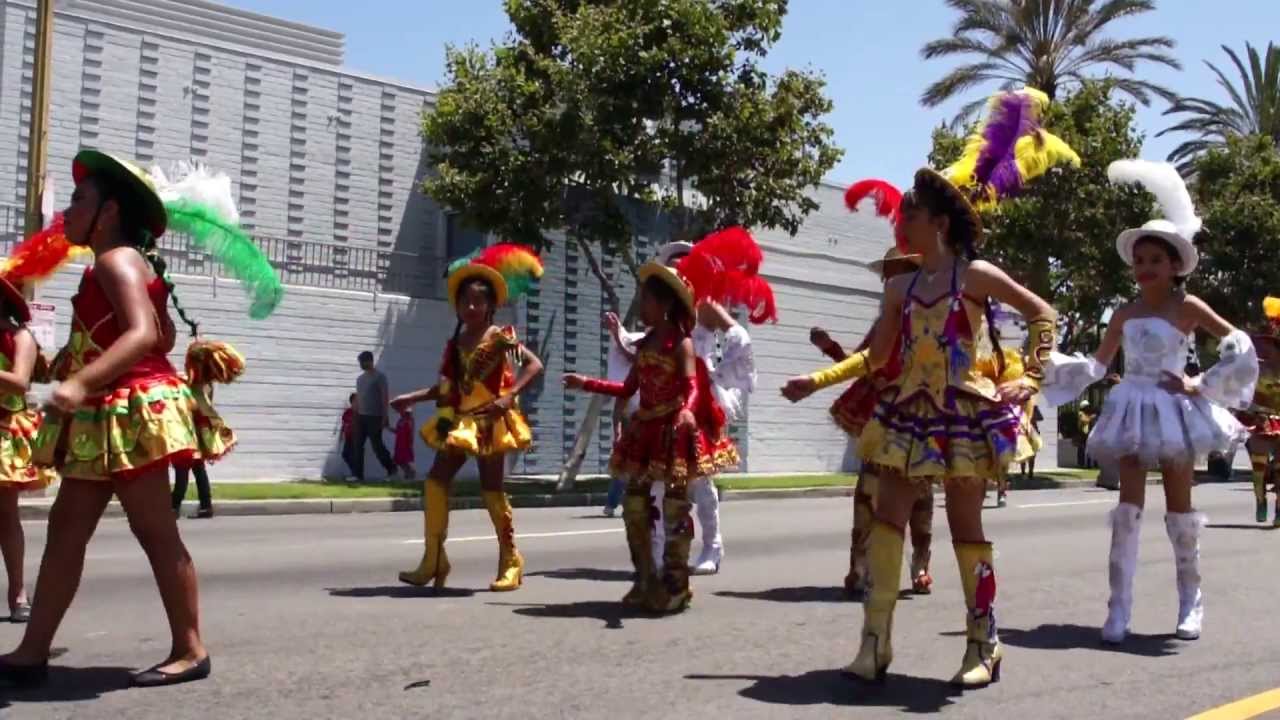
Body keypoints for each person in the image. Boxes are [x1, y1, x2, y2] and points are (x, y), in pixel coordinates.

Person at [782, 87, 1076, 688]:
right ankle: (875, 643)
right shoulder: (899, 287)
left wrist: (1032, 381)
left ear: (937, 223)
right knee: (887, 521)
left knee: (966, 527)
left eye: (909, 215)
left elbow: (1044, 313)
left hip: (964, 413)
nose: (900, 223)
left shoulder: (976, 275)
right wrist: (816, 379)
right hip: (909, 413)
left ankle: (982, 642)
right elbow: (878, 356)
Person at [0, 150, 211, 688]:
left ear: (109, 211)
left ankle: (191, 649)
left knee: (154, 529)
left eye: (78, 200)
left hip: (129, 411)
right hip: (109, 413)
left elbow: (142, 335)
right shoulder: (121, 263)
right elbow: (160, 335)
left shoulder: (114, 262)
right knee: (66, 528)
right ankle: (32, 648)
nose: (66, 213)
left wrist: (80, 382)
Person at [1043, 159, 1259, 644]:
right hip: (1130, 409)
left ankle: (1191, 604)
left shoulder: (1189, 307)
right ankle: (1118, 610)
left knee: (1179, 508)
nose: (1144, 269)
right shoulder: (1124, 312)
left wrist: (1199, 383)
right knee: (1127, 509)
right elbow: (1099, 365)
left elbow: (1237, 344)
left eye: (1154, 261)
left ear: (1174, 266)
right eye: (1139, 261)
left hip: (1175, 411)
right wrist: (1052, 365)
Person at [565, 254, 740, 613]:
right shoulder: (644, 345)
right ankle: (646, 580)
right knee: (635, 509)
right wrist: (587, 383)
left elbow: (692, 384)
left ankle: (676, 585)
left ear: (664, 305)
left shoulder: (681, 344)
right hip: (644, 433)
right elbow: (627, 389)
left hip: (673, 434)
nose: (641, 304)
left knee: (675, 510)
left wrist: (689, 410)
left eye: (646, 298)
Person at [393, 244, 544, 592]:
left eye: (478, 301)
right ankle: (433, 559)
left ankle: (511, 560)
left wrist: (509, 395)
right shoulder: (456, 342)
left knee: (492, 490)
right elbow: (446, 388)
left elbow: (534, 365)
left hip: (491, 421)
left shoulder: (501, 338)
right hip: (460, 422)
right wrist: (412, 398)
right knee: (434, 483)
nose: (471, 307)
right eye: (465, 302)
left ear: (492, 305)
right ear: (457, 306)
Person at [811, 197, 935, 599]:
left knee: (920, 501)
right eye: (888, 276)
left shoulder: (928, 323)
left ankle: (920, 566)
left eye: (899, 273)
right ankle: (858, 569)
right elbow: (862, 362)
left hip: (917, 421)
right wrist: (830, 350)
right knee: (866, 495)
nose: (891, 282)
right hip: (880, 422)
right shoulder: (883, 322)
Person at [639, 231, 769, 576]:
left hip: (697, 401)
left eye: (685, 267)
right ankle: (659, 552)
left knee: (700, 480)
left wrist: (716, 375)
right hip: (664, 399)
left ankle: (713, 547)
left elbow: (739, 337)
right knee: (656, 478)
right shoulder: (662, 313)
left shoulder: (706, 306)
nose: (680, 272)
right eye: (674, 268)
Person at [0, 276, 56, 624]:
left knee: (5, 516)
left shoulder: (20, 337)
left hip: (5, 430)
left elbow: (20, 382)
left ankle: (18, 592)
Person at [171, 340, 245, 519]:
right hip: (199, 432)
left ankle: (173, 507)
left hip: (189, 431)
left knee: (183, 469)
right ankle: (205, 505)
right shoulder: (205, 385)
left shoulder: (192, 384)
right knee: (197, 469)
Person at [1238, 298, 1280, 525]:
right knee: (1259, 468)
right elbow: (1241, 392)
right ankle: (1261, 499)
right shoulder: (1253, 368)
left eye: (1270, 344)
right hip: (1260, 418)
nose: (1265, 349)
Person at [352, 351, 397, 482]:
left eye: (362, 362)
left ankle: (392, 470)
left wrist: (385, 416)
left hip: (375, 417)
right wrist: (355, 414)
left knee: (377, 446)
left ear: (370, 361)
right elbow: (359, 398)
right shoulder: (359, 379)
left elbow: (384, 397)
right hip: (361, 416)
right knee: (357, 445)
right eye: (359, 362)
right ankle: (358, 475)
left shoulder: (380, 377)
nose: (360, 365)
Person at [394, 408, 417, 481]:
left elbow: (411, 432)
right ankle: (408, 473)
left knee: (405, 459)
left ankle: (410, 473)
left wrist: (411, 443)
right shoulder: (400, 420)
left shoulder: (410, 420)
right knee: (399, 460)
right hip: (399, 442)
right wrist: (388, 427)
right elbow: (397, 431)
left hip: (405, 443)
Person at [339, 392, 358, 479]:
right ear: (352, 401)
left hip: (357, 437)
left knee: (355, 456)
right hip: (348, 437)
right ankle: (355, 472)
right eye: (356, 400)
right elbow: (344, 424)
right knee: (345, 454)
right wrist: (341, 434)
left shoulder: (360, 413)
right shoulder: (347, 412)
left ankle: (355, 474)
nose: (358, 402)